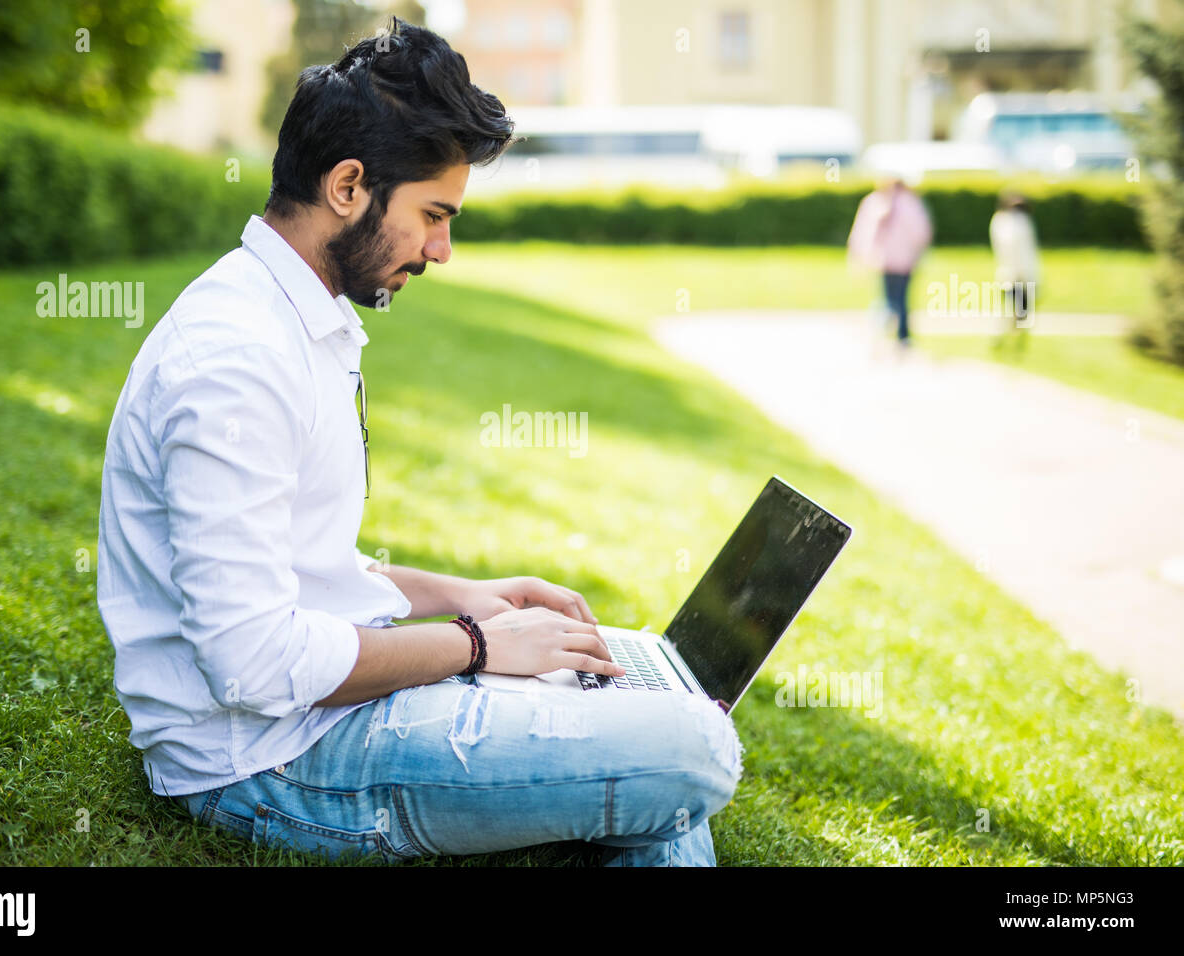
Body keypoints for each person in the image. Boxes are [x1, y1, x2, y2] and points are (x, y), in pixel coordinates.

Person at [95, 17, 742, 868]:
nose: (442, 249)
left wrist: (463, 593)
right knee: (693, 751)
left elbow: (297, 566)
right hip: (265, 761)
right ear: (348, 185)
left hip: (314, 716)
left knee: (652, 760)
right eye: (434, 215)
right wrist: (478, 647)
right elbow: (250, 661)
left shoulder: (292, 315)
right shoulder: (236, 361)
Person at [847, 175, 934, 353]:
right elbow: (921, 231)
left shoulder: (875, 202)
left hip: (883, 259)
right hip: (905, 259)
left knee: (887, 298)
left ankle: (882, 332)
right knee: (901, 298)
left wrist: (860, 255)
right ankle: (902, 336)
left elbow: (862, 232)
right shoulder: (910, 203)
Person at [988, 191, 1040, 356]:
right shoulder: (1013, 223)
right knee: (1016, 312)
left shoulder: (1003, 222)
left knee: (1016, 313)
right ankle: (1009, 341)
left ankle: (1011, 341)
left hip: (1013, 274)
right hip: (1016, 275)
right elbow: (1020, 253)